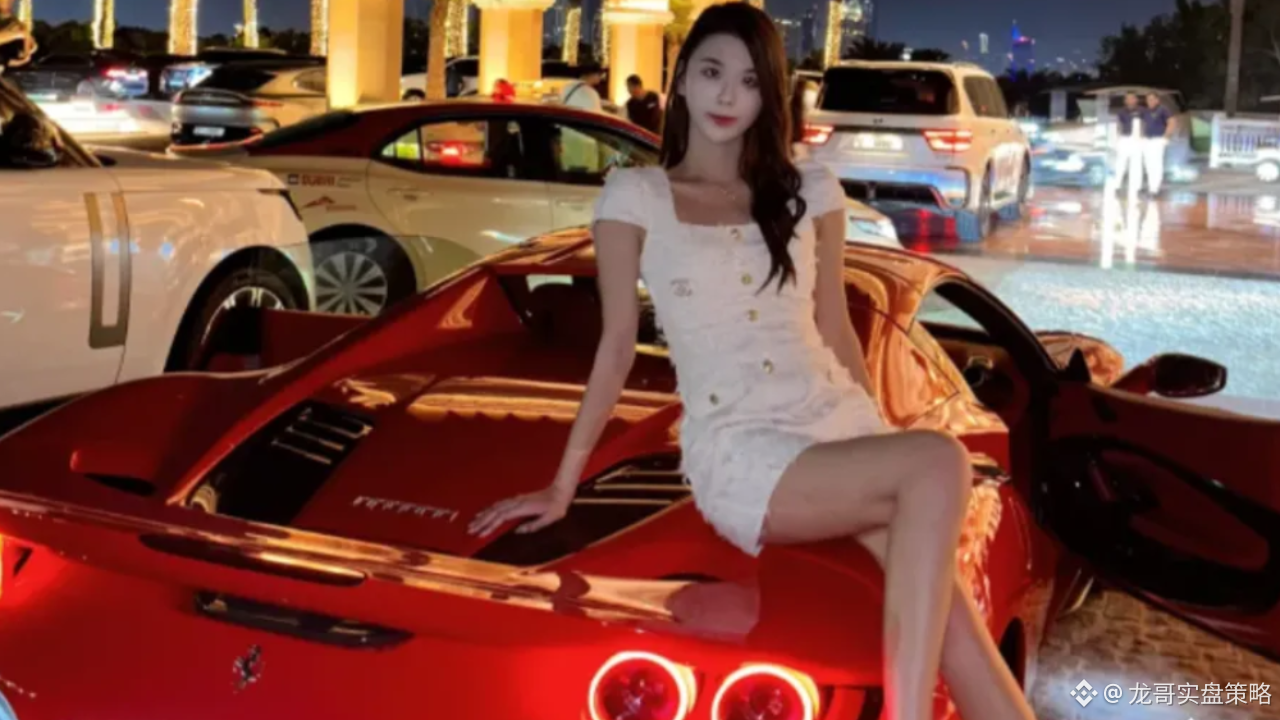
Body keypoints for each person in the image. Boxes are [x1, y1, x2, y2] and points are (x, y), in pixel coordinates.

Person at [469, 5, 1038, 720]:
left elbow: (834, 326)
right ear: (681, 81)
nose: (728, 96)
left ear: (770, 96)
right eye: (711, 73)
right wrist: (563, 485)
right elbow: (615, 347)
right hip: (742, 451)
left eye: (749, 81)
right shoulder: (637, 198)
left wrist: (877, 443)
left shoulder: (809, 190)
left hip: (834, 422)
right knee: (941, 462)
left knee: (961, 633)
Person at [1142, 91, 1176, 196]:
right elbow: (1144, 124)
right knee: (1148, 164)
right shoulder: (1146, 111)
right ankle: (1151, 186)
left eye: (1152, 99)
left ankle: (1155, 188)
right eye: (1148, 100)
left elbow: (1172, 122)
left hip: (1158, 139)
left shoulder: (1163, 110)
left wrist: (1166, 137)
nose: (1150, 101)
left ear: (1157, 100)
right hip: (1147, 140)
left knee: (1156, 163)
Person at [1114, 92, 1147, 194]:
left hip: (1138, 139)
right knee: (1121, 163)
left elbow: (1146, 123)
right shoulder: (1121, 112)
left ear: (1136, 100)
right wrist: (1118, 138)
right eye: (1128, 98)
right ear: (1125, 101)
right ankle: (1117, 186)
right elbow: (1119, 125)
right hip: (1125, 139)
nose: (1130, 100)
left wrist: (1143, 136)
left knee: (1137, 164)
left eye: (1132, 98)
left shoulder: (1142, 111)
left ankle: (1138, 188)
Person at [0, 0, 36, 69]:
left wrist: (24, 59)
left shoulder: (14, 22)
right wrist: (20, 35)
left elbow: (7, 61)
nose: (10, 2)